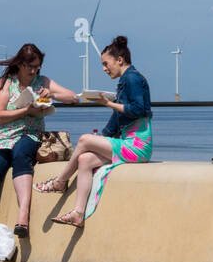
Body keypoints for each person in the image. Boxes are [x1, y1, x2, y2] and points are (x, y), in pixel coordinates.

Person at [0, 44, 79, 259]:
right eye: (30, 67)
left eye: (37, 67)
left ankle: (22, 217)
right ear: (20, 64)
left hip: (29, 134)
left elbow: (73, 97)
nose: (34, 71)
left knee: (22, 155)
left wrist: (51, 94)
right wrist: (26, 110)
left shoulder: (42, 81)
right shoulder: (6, 83)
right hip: (0, 139)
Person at [36, 35, 152, 228]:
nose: (104, 69)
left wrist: (108, 103)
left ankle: (60, 181)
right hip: (127, 144)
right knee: (84, 159)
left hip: (138, 146)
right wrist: (104, 135)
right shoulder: (125, 80)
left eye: (106, 64)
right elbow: (117, 118)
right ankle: (78, 213)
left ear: (120, 60)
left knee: (84, 140)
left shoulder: (132, 78)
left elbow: (139, 110)